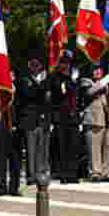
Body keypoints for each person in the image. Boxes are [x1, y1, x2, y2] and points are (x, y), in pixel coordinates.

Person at [82, 62, 109, 182]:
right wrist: (103, 83)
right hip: (94, 119)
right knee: (94, 148)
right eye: (95, 69)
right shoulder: (86, 82)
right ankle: (95, 173)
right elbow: (89, 92)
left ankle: (106, 172)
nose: (97, 72)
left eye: (99, 69)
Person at [17, 57, 51, 187]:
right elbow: (28, 94)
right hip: (29, 120)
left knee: (41, 150)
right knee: (31, 150)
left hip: (42, 120)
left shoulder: (45, 80)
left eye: (38, 65)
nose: (36, 68)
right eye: (33, 65)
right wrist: (40, 84)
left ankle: (40, 174)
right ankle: (31, 176)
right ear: (29, 66)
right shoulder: (24, 80)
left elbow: (48, 98)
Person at [49, 52, 81, 183]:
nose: (66, 65)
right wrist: (71, 81)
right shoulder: (56, 77)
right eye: (63, 62)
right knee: (61, 146)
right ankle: (62, 173)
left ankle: (73, 173)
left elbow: (79, 95)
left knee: (74, 146)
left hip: (74, 117)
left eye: (68, 63)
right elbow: (60, 92)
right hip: (61, 117)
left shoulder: (76, 78)